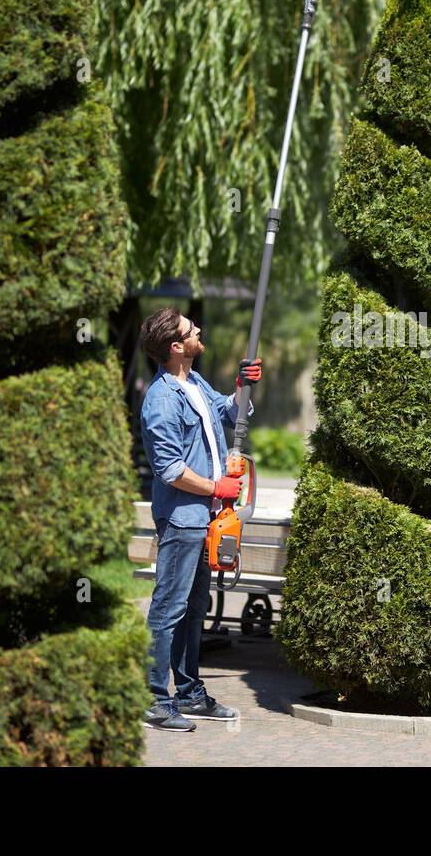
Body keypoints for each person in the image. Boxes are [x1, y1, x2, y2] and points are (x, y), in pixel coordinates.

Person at [138, 306, 262, 732]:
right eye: (192, 330)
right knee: (169, 609)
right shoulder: (160, 400)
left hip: (205, 519)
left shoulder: (193, 383)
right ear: (177, 347)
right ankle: (154, 700)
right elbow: (169, 469)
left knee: (193, 610)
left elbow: (228, 413)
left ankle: (189, 693)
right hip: (182, 518)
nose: (200, 331)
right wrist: (216, 488)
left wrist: (242, 388)